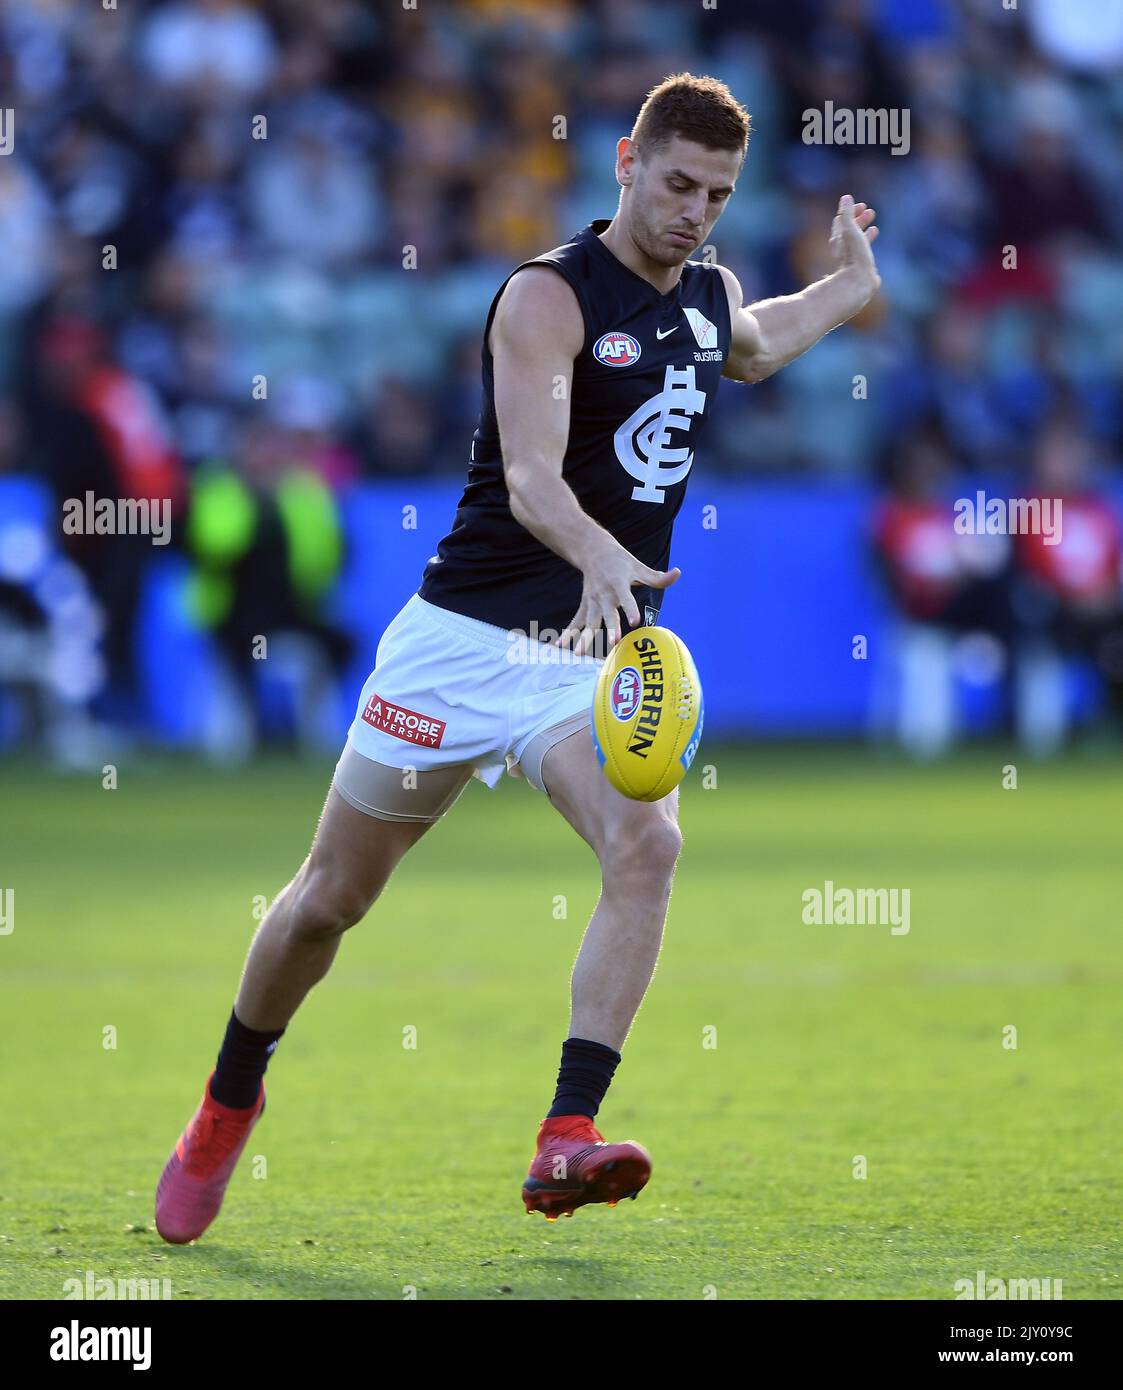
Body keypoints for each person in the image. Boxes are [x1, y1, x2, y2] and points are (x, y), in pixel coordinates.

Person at [155, 72, 881, 1240]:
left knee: (646, 839)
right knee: (326, 904)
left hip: (577, 657)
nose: (695, 211)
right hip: (459, 643)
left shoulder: (704, 294)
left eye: (718, 194)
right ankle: (227, 1100)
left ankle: (565, 1137)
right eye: (677, 183)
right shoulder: (546, 296)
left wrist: (849, 284)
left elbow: (748, 344)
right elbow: (536, 478)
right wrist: (603, 556)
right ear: (625, 165)